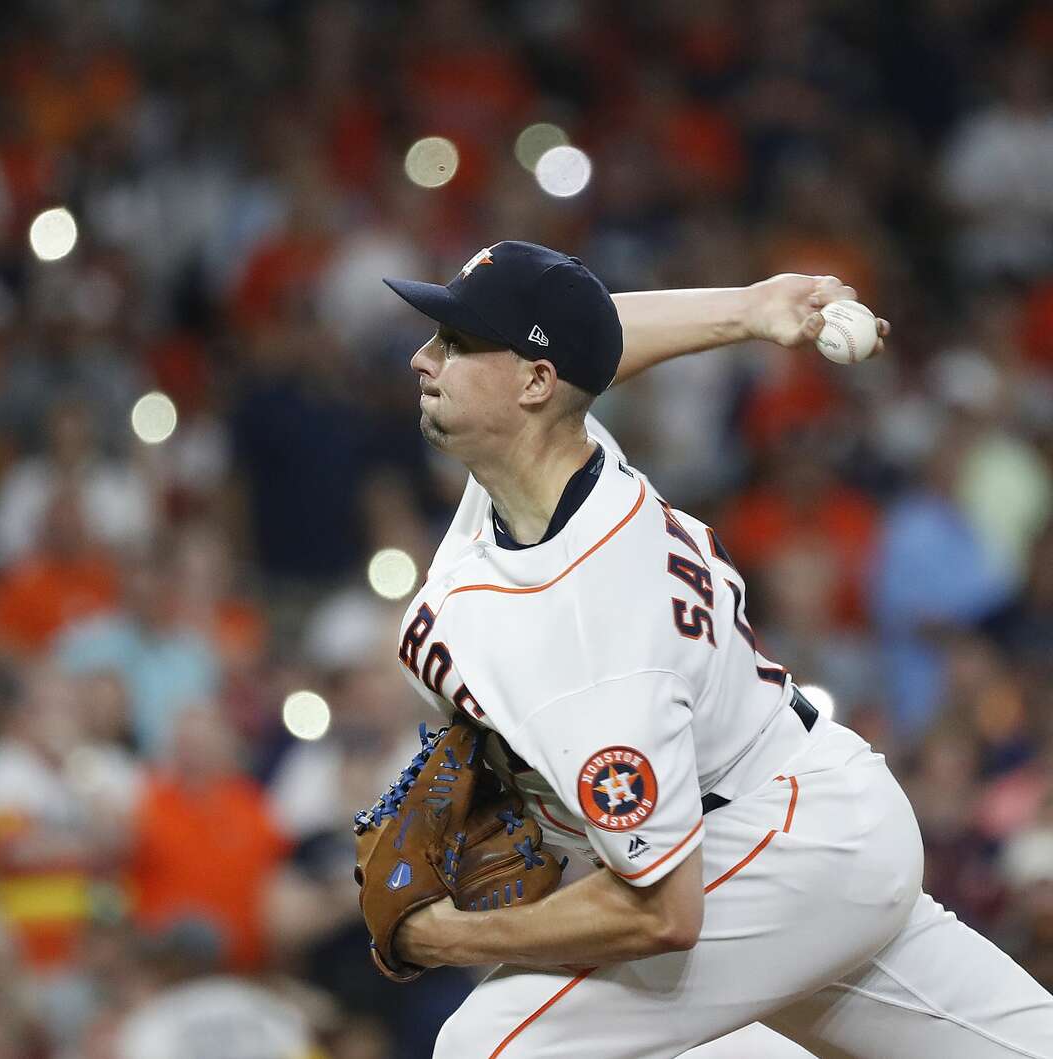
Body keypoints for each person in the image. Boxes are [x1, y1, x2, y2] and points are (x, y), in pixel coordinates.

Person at [378, 241, 1053, 1057]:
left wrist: (440, 938)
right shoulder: (542, 456)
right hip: (797, 820)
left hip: (773, 851)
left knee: (491, 1048)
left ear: (531, 384)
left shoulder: (598, 635)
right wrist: (750, 310)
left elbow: (663, 911)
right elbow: (588, 337)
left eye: (453, 342)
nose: (424, 357)